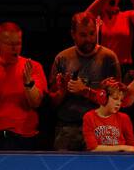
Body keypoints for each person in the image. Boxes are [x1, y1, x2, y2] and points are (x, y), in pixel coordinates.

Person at [49, 12, 121, 151]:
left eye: (92, 33)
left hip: (101, 128)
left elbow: (117, 102)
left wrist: (85, 91)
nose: (88, 39)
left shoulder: (108, 58)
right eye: (83, 35)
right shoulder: (62, 58)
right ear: (73, 34)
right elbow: (52, 103)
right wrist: (63, 90)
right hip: (68, 128)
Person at [0, 22, 47, 150]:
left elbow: (36, 102)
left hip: (25, 136)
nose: (15, 48)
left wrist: (28, 83)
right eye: (10, 44)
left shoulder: (33, 67)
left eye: (18, 43)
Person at [82, 77, 134, 152]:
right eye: (115, 98)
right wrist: (123, 147)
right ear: (102, 97)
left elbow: (132, 146)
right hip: (98, 161)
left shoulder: (124, 118)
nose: (119, 103)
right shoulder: (89, 117)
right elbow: (93, 148)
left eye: (121, 100)